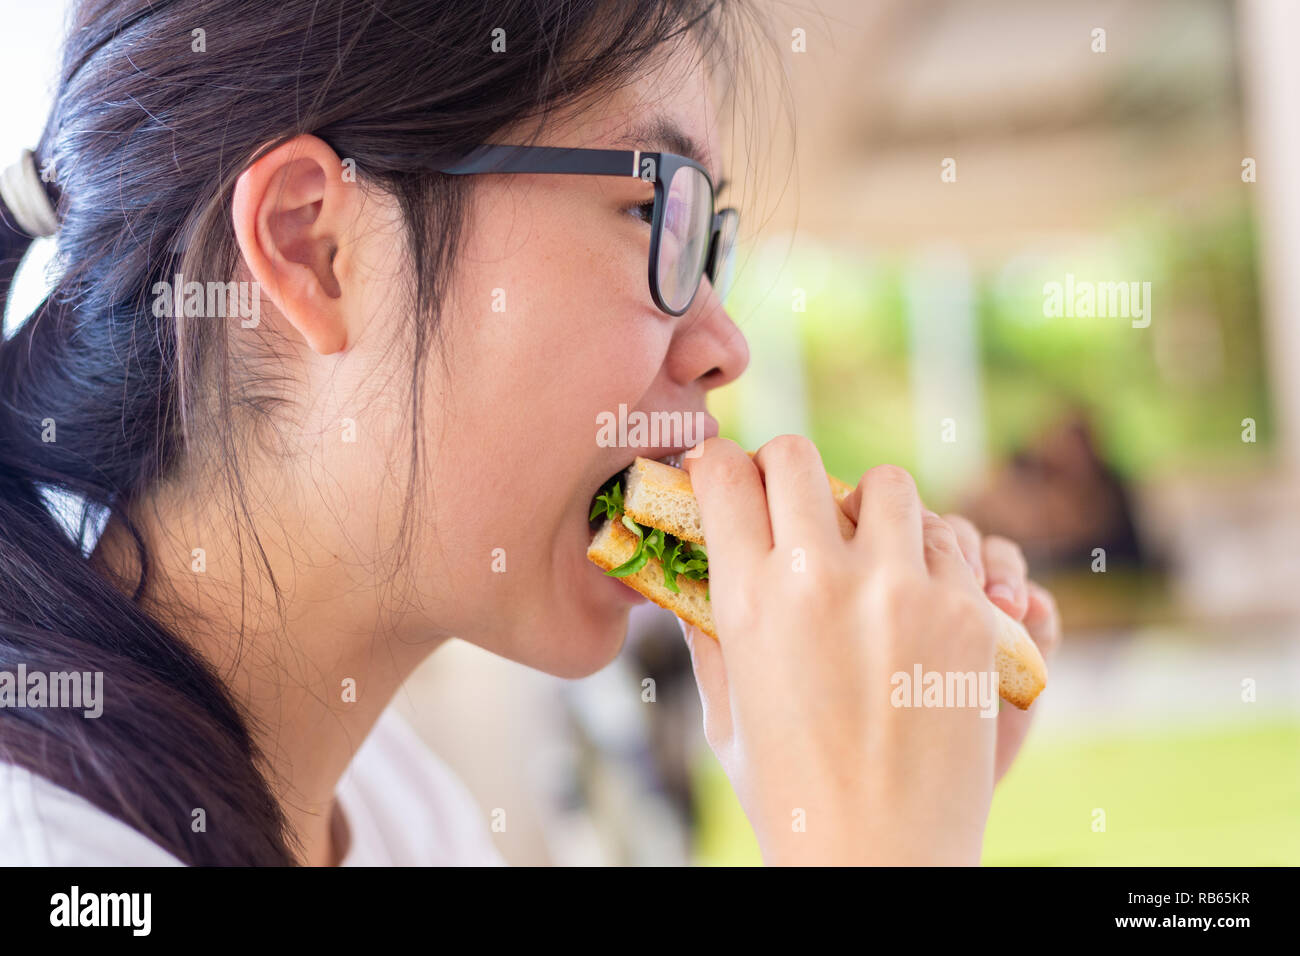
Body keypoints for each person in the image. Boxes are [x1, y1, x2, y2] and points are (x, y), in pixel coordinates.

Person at [0, 0, 1060, 866]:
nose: (723, 342)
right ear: (314, 245)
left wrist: (868, 781)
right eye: (655, 213)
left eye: (707, 241)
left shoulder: (396, 808)